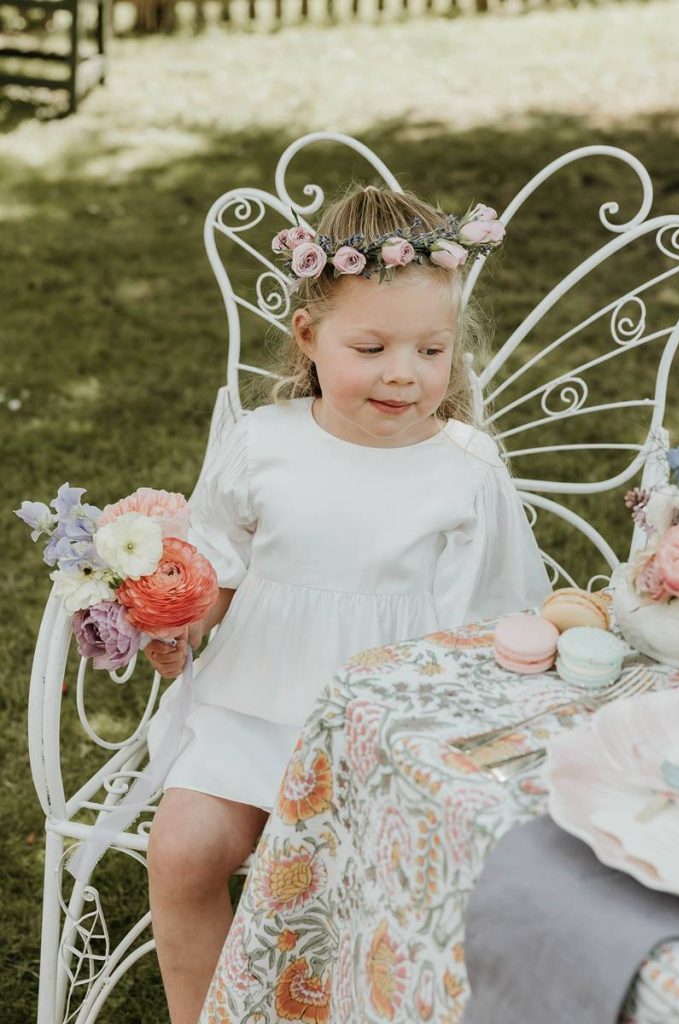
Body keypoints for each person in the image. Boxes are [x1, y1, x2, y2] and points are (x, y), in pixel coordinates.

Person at [143, 183, 551, 1024]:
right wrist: (182, 619)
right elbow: (217, 563)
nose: (403, 373)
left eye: (431, 352)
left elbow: (500, 617)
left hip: (385, 740)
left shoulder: (465, 467)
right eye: (370, 347)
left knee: (388, 894)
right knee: (180, 853)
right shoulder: (264, 441)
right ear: (309, 337)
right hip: (251, 711)